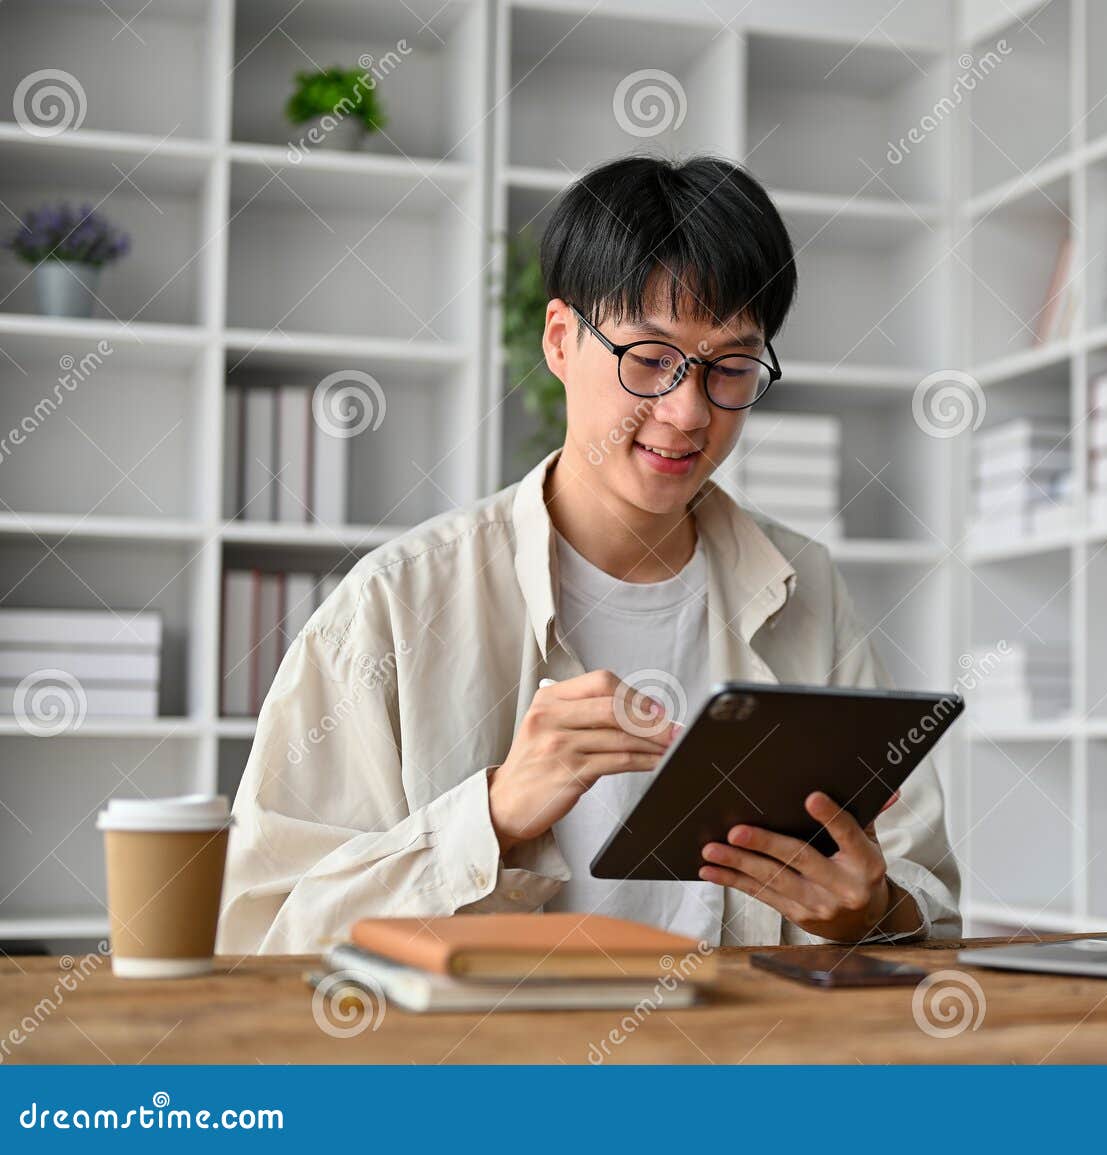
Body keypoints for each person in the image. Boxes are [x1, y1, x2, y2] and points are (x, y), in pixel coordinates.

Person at [218, 155, 960, 954]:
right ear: (560, 341)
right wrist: (493, 814)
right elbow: (265, 935)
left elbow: (925, 893)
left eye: (731, 368)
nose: (688, 411)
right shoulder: (394, 605)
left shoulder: (806, 586)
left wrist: (875, 912)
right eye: (650, 359)